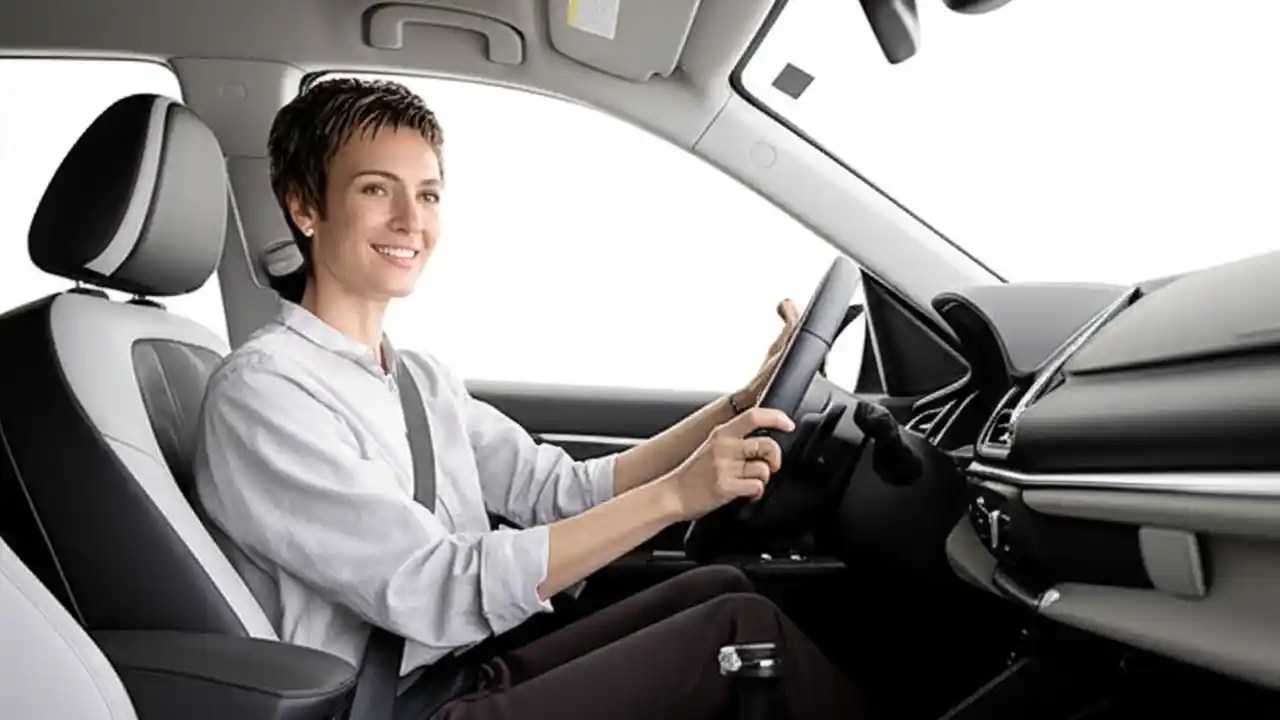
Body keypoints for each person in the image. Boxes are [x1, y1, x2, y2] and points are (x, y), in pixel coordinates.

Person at [194, 77, 864, 719]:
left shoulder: (418, 380)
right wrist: (677, 496)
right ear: (304, 206)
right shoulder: (265, 391)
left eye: (428, 195)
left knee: (721, 590)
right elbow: (434, 588)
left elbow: (562, 491)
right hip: (402, 706)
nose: (410, 220)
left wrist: (736, 405)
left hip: (470, 666)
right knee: (739, 631)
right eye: (377, 189)